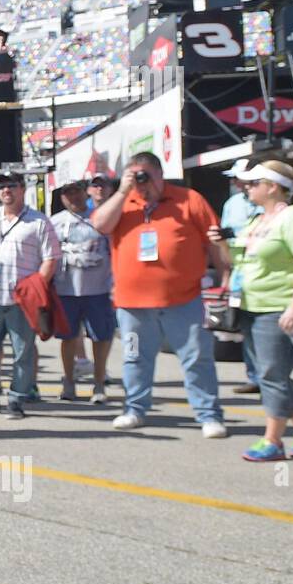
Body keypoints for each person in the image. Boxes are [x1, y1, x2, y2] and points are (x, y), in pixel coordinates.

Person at [90, 152, 230, 437]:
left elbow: (214, 241)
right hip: (132, 303)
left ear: (160, 175)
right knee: (134, 358)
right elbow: (100, 225)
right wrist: (122, 190)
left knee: (196, 358)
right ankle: (135, 409)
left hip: (184, 299)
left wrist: (225, 279)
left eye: (146, 176)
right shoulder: (122, 202)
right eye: (135, 176)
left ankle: (208, 415)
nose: (141, 183)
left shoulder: (189, 199)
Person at [209, 162, 293, 460]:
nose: (246, 187)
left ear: (272, 186)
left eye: (253, 182)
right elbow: (236, 261)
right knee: (273, 374)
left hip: (279, 307)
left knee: (271, 374)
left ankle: (273, 440)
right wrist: (222, 243)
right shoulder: (259, 220)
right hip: (252, 304)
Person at [0, 171, 59, 420]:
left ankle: (17, 398)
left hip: (22, 302)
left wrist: (36, 290)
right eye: (2, 187)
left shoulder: (39, 222)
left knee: (23, 352)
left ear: (22, 189)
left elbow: (50, 260)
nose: (6, 190)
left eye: (12, 186)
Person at [51, 180, 116, 404]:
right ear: (62, 198)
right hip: (66, 290)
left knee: (100, 337)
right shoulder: (55, 223)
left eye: (77, 192)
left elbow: (115, 249)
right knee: (68, 338)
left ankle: (99, 384)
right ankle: (69, 382)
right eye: (67, 194)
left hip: (98, 290)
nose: (73, 197)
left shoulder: (101, 218)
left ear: (84, 192)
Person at [219, 159, 262, 395]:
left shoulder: (270, 205)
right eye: (233, 178)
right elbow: (224, 242)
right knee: (247, 327)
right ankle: (254, 376)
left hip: (266, 275)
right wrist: (226, 276)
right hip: (239, 276)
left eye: (238, 178)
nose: (234, 182)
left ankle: (271, 376)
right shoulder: (232, 204)